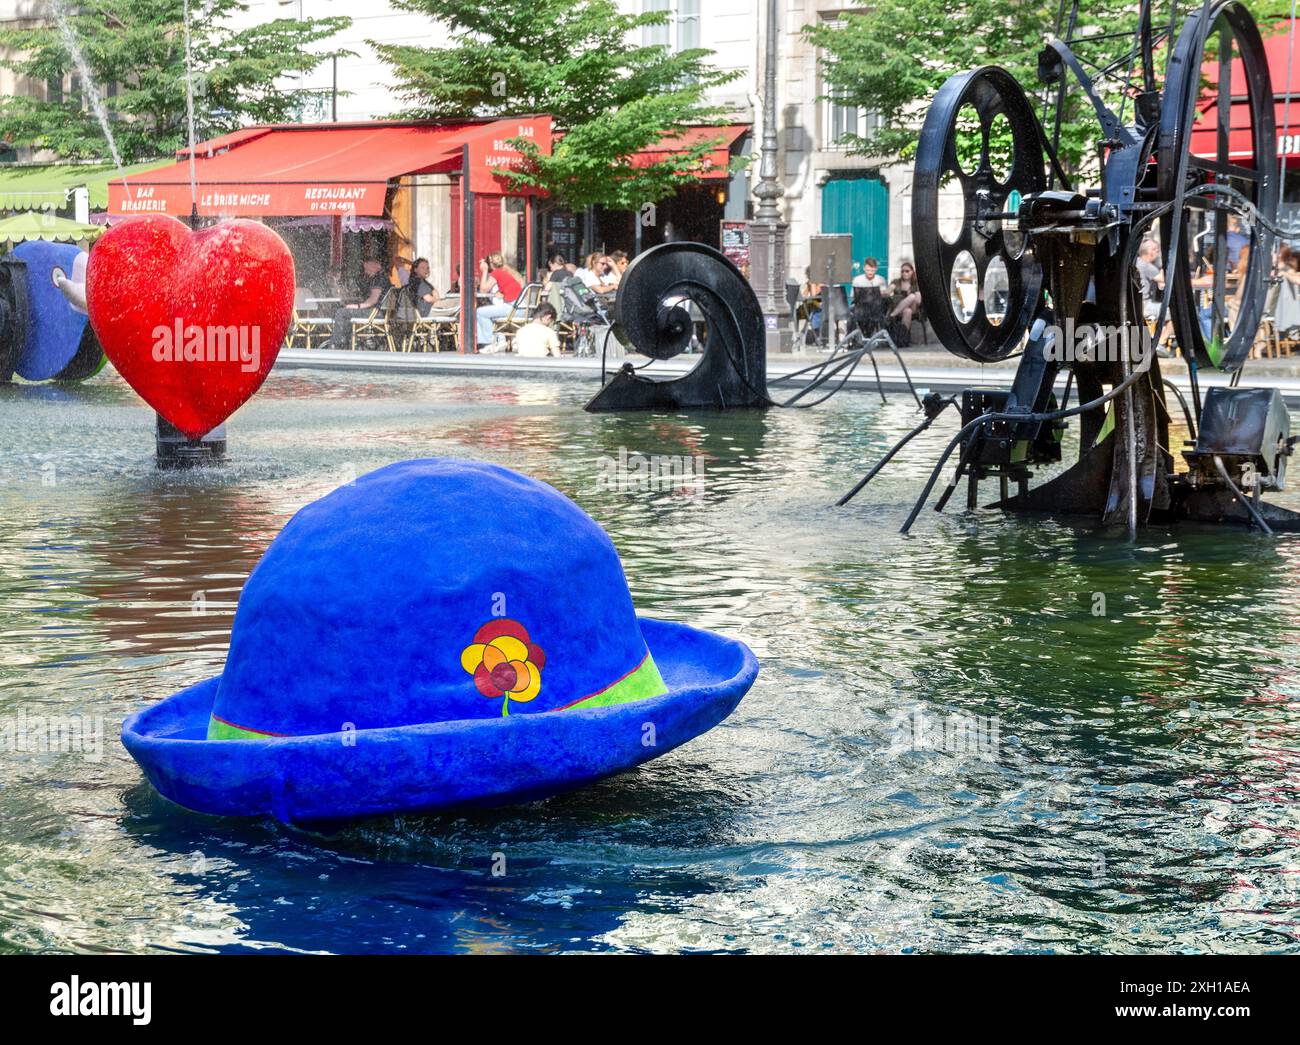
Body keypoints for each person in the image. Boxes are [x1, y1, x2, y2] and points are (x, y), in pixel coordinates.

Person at [329, 257, 390, 350]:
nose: (366, 271)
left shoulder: (379, 278)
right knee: (345, 311)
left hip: (375, 313)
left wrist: (357, 306)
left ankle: (337, 344)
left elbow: (373, 300)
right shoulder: (383, 277)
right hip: (380, 312)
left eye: (367, 269)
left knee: (341, 312)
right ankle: (348, 341)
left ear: (375, 265)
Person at [476, 252, 526, 349]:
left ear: (490, 264)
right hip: (522, 307)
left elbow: (483, 289)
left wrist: (484, 271)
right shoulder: (508, 271)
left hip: (514, 309)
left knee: (480, 312)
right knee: (490, 314)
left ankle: (488, 343)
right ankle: (500, 339)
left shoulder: (497, 272)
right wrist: (501, 293)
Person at [886, 260, 922, 335]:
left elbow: (918, 302)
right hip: (900, 309)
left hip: (914, 308)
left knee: (912, 296)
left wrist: (917, 295)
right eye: (902, 271)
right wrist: (887, 290)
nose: (904, 273)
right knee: (908, 311)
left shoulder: (916, 284)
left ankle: (892, 316)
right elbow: (888, 291)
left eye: (907, 271)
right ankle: (903, 337)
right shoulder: (896, 282)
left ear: (912, 272)